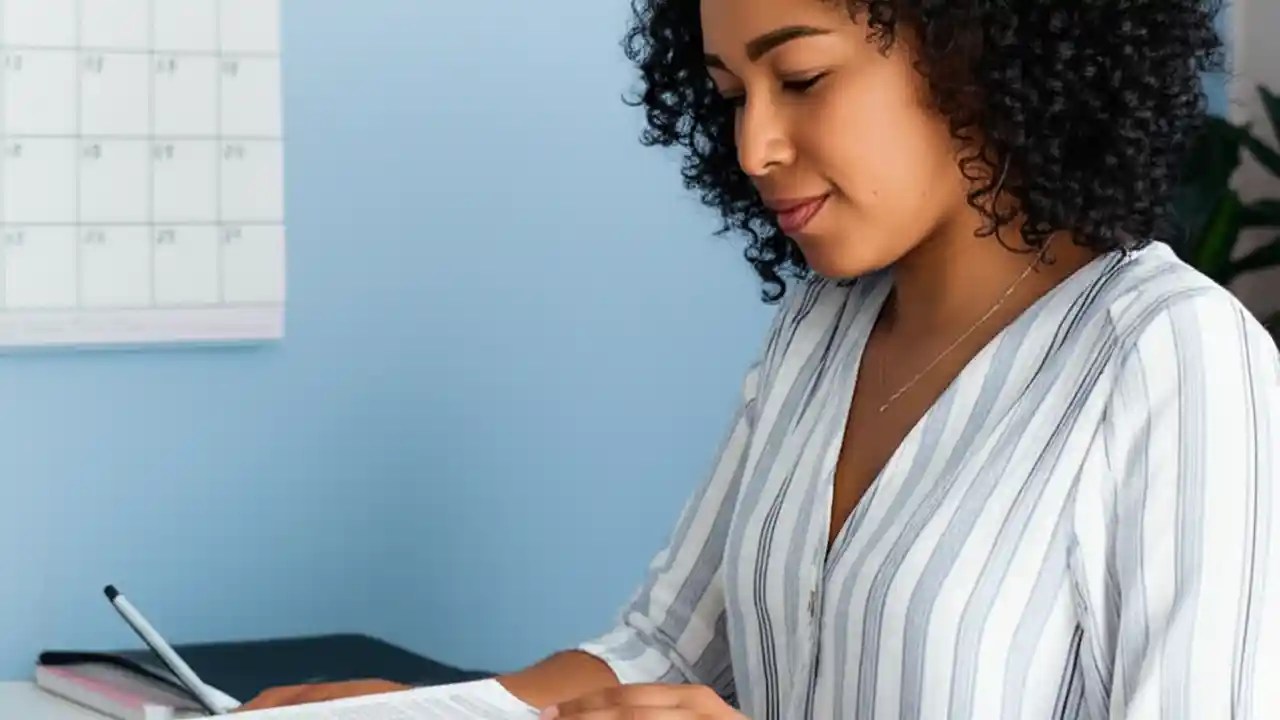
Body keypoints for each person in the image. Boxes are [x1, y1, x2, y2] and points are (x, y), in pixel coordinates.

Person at [240, 0, 1279, 717]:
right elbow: (663, 649)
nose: (753, 147)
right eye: (731, 92)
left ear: (975, 48)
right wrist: (441, 711)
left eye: (801, 76)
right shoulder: (818, 333)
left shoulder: (1164, 355)